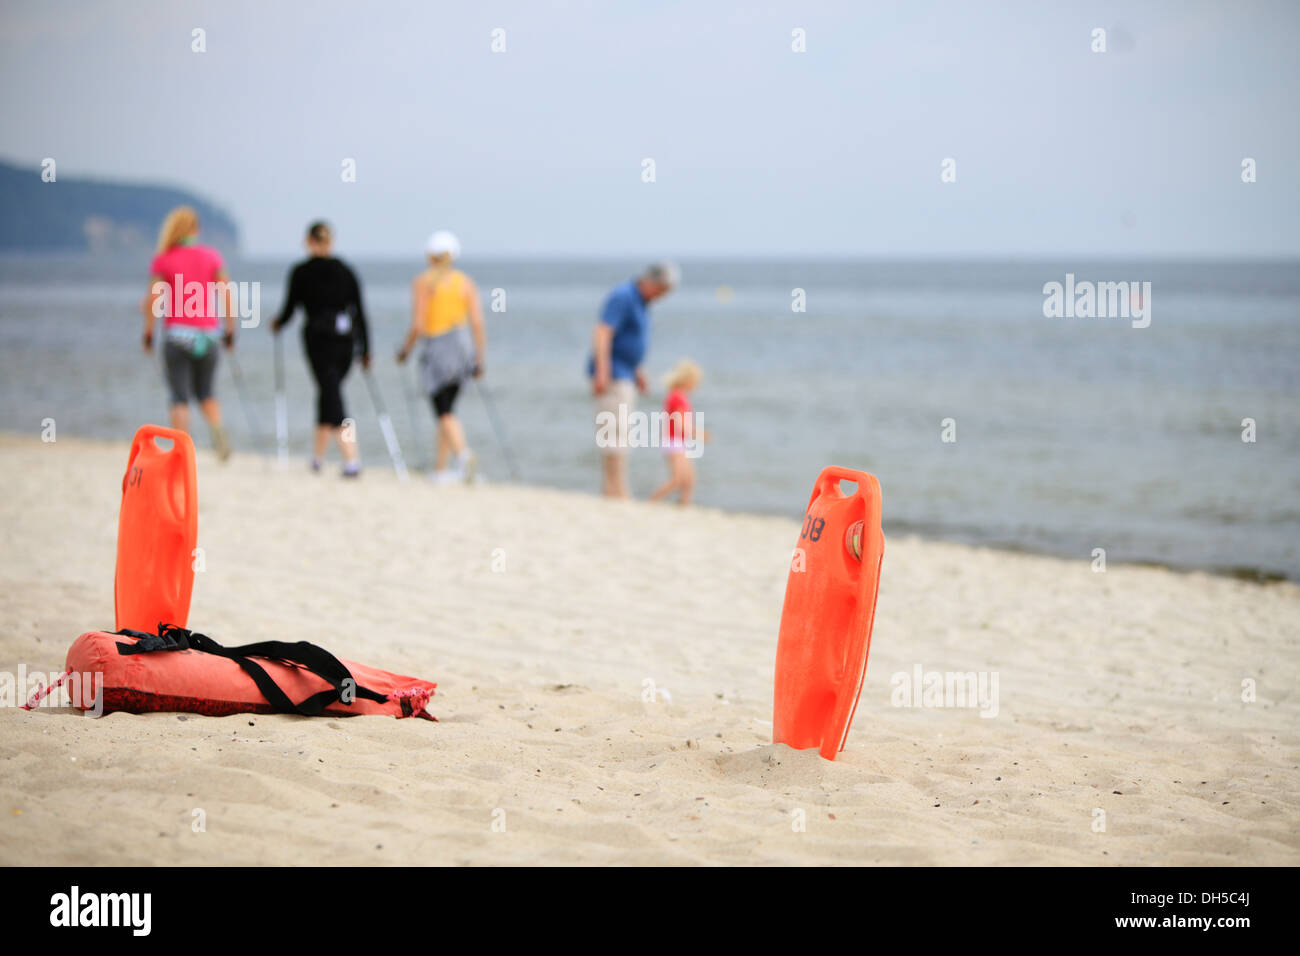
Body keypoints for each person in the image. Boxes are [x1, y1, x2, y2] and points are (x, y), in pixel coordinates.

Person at [271, 221, 371, 477]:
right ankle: (317, 458)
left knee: (333, 396)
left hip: (319, 342)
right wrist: (365, 348)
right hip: (346, 342)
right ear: (331, 241)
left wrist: (277, 324)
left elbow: (290, 309)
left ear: (309, 241)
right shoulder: (345, 271)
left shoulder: (301, 272)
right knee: (329, 393)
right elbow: (359, 312)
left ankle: (351, 459)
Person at [143, 206, 237, 459]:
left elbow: (154, 299)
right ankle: (219, 435)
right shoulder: (212, 257)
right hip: (208, 335)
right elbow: (226, 294)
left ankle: (182, 449)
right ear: (196, 229)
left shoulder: (164, 259)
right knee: (206, 392)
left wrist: (149, 332)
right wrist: (230, 330)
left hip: (178, 335)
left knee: (179, 395)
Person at [396, 231, 486, 483]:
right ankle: (440, 468)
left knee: (443, 409)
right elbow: (477, 323)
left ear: (430, 255)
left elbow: (418, 324)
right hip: (462, 344)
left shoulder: (424, 282)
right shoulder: (465, 282)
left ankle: (463, 455)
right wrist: (480, 358)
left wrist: (405, 351)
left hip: (438, 346)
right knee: (448, 408)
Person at [588, 261, 679, 497]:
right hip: (614, 375)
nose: (662, 297)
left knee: (622, 433)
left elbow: (626, 340)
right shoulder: (624, 296)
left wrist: (636, 369)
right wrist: (602, 370)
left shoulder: (641, 302)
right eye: (661, 291)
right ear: (651, 282)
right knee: (614, 433)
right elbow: (603, 332)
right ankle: (615, 490)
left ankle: (615, 489)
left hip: (625, 372)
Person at [650, 359, 708, 506]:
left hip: (679, 442)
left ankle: (684, 505)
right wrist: (698, 434)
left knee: (689, 479)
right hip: (674, 443)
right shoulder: (677, 397)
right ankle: (652, 501)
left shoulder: (678, 396)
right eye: (696, 382)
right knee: (678, 479)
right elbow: (679, 423)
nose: (697, 386)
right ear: (687, 380)